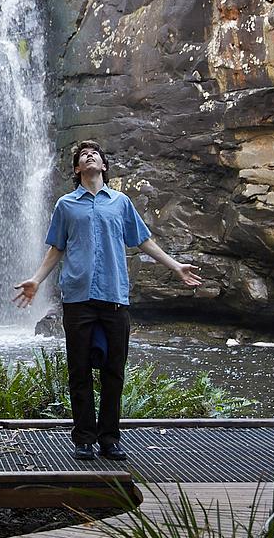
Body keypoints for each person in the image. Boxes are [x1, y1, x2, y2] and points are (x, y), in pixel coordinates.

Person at [13, 140, 202, 460]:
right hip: (78, 297)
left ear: (103, 166)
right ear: (77, 169)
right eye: (83, 156)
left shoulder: (120, 203)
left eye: (95, 154)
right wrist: (36, 280)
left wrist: (175, 266)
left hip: (114, 295)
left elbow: (143, 241)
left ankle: (110, 438)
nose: (89, 157)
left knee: (114, 371)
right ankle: (84, 438)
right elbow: (57, 248)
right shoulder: (66, 205)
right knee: (79, 371)